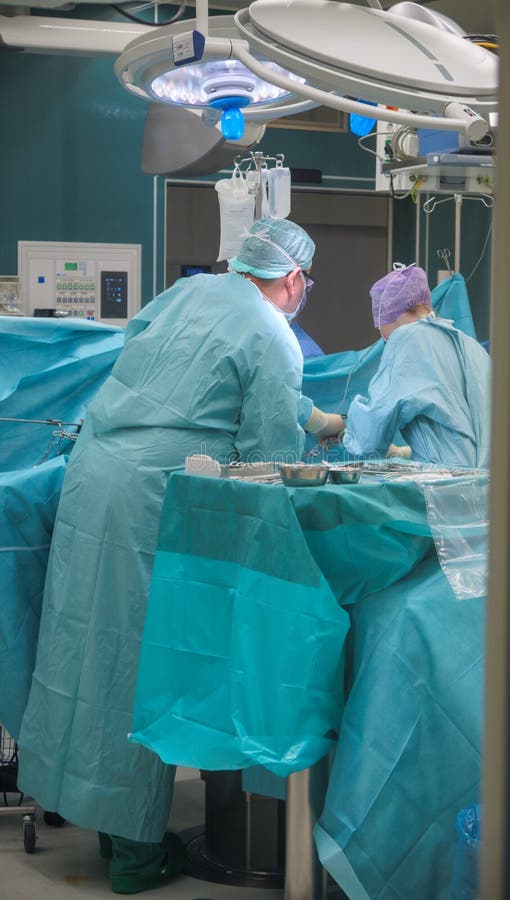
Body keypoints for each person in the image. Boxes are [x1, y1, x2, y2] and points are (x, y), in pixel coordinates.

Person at [15, 218, 339, 895]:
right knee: (137, 666)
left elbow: (186, 377)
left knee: (84, 651)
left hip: (93, 477)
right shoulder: (273, 332)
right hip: (152, 499)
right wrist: (308, 454)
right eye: (305, 283)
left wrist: (312, 415)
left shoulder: (185, 294)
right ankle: (135, 854)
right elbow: (268, 456)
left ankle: (105, 827)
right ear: (292, 279)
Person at [343, 266, 491, 468]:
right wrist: (404, 451)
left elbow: (370, 436)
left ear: (387, 313)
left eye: (379, 325)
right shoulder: (470, 345)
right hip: (485, 480)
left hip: (441, 480)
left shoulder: (407, 338)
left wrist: (342, 428)